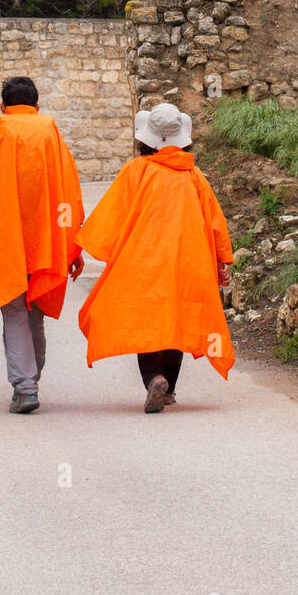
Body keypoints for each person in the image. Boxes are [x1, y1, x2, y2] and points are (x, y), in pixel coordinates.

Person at [77, 102, 234, 413]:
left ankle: (155, 379)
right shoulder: (195, 177)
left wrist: (88, 248)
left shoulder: (136, 171)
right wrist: (222, 260)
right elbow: (215, 221)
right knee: (177, 321)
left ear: (145, 139)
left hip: (142, 264)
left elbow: (111, 217)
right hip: (188, 263)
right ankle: (170, 388)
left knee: (146, 326)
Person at [0, 76, 85, 414]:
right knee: (34, 314)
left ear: (3, 106)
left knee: (14, 313)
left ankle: (26, 387)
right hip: (46, 242)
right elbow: (69, 190)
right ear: (37, 107)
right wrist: (73, 246)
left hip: (5, 241)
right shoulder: (51, 130)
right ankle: (30, 380)